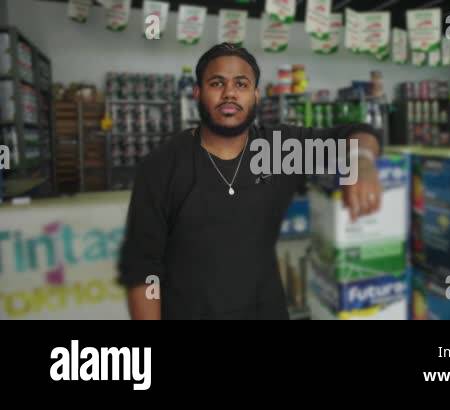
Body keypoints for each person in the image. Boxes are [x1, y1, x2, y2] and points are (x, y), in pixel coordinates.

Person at [117, 43, 383, 320]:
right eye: (217, 83)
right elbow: (143, 271)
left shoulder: (280, 150)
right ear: (197, 93)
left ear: (255, 95)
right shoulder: (161, 166)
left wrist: (362, 161)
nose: (229, 93)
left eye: (241, 84)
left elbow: (358, 132)